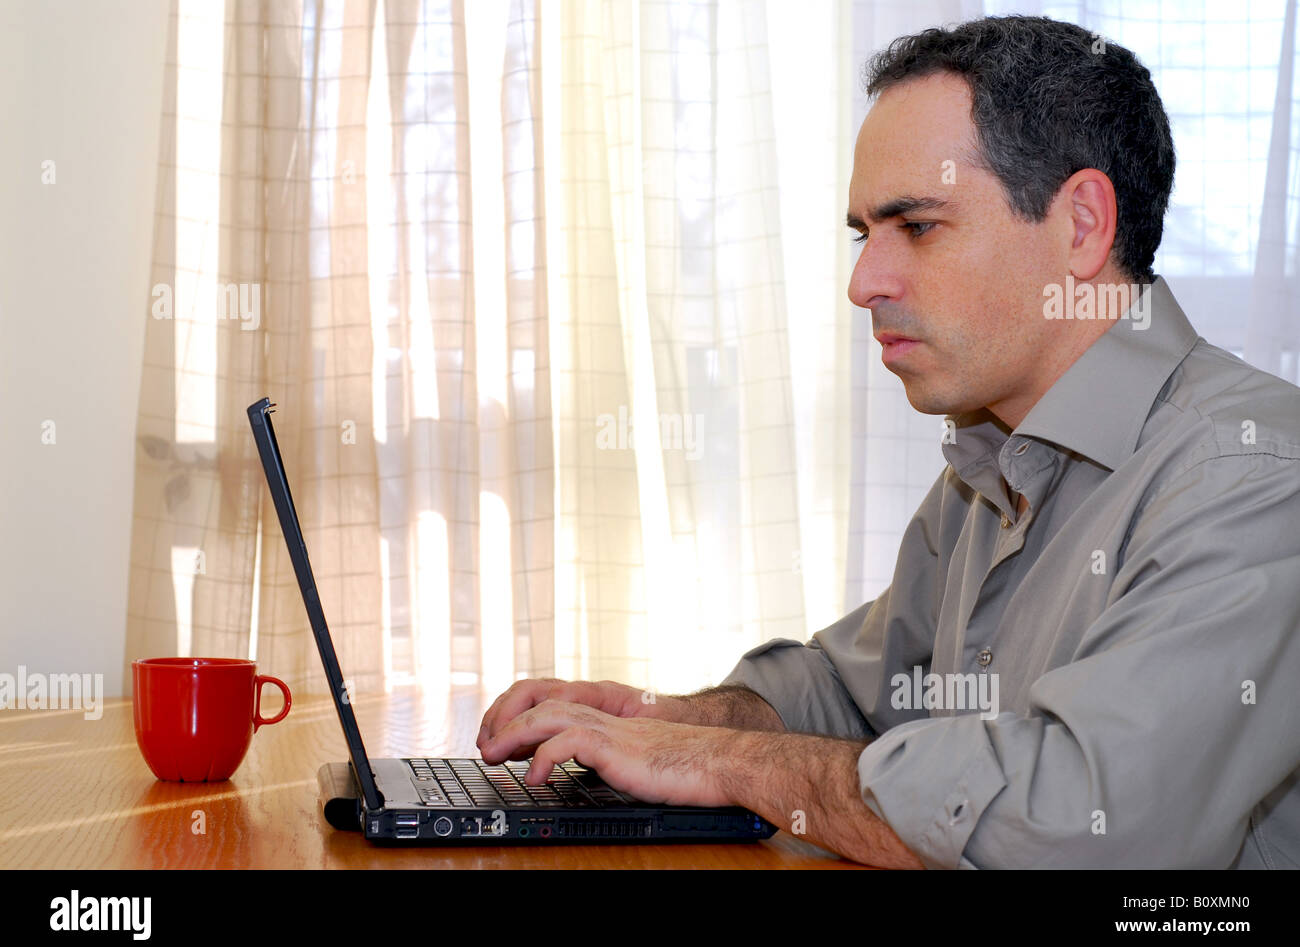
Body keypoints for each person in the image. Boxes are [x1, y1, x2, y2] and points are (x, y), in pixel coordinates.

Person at [477, 14, 1300, 868]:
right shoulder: (997, 454)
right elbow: (856, 694)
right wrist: (657, 720)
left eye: (917, 226)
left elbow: (1082, 825)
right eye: (863, 234)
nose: (864, 282)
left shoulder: (1255, 475)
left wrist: (718, 761)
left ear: (1083, 225)